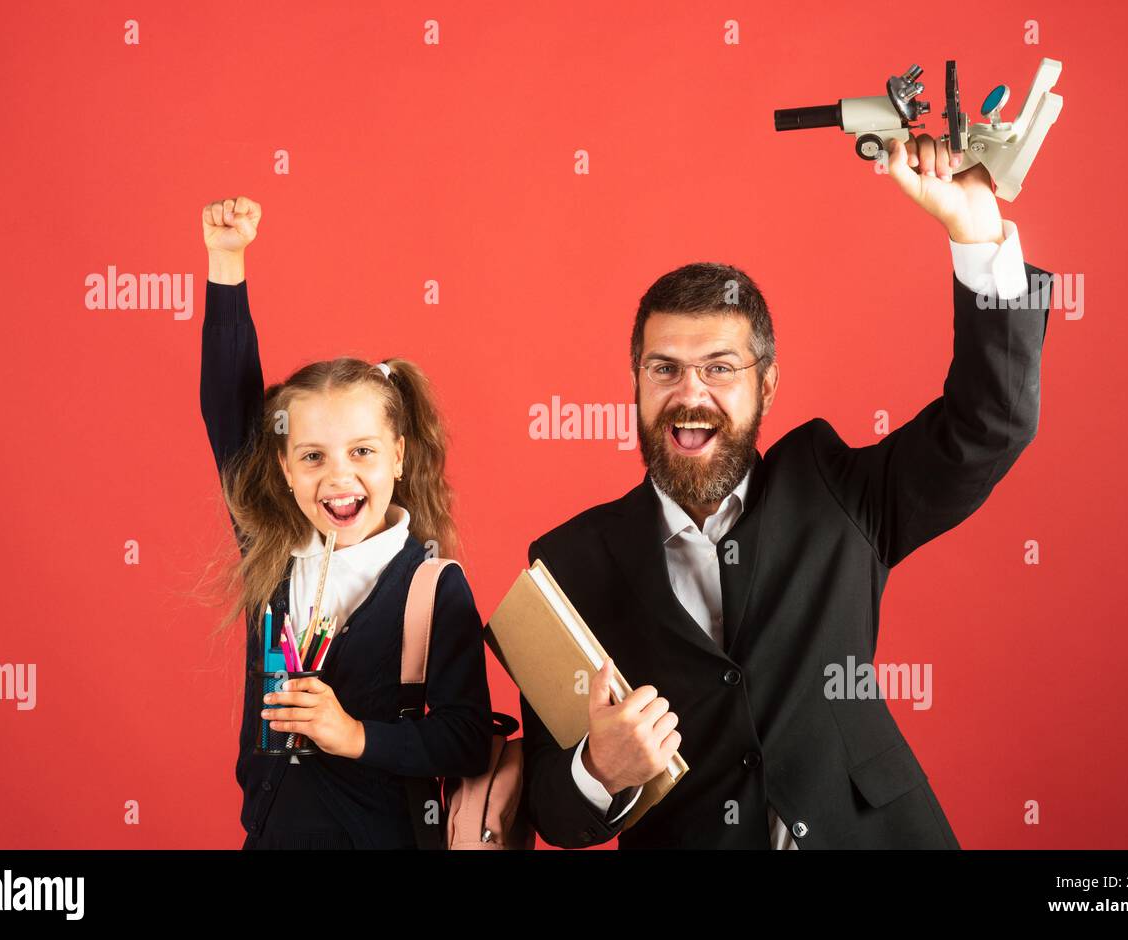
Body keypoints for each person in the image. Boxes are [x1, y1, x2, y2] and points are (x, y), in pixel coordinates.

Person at [518, 134, 1052, 848]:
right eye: (665, 370)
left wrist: (976, 232)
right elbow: (550, 809)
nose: (690, 395)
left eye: (719, 368)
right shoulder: (568, 563)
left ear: (767, 386)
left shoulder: (834, 489)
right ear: (636, 384)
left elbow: (992, 423)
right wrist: (598, 769)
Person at [198, 196, 492, 849]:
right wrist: (226, 263)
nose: (338, 476)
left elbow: (468, 739)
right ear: (280, 467)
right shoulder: (273, 550)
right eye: (312, 457)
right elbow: (228, 404)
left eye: (361, 452)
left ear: (398, 456)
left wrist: (352, 735)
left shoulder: (431, 588)